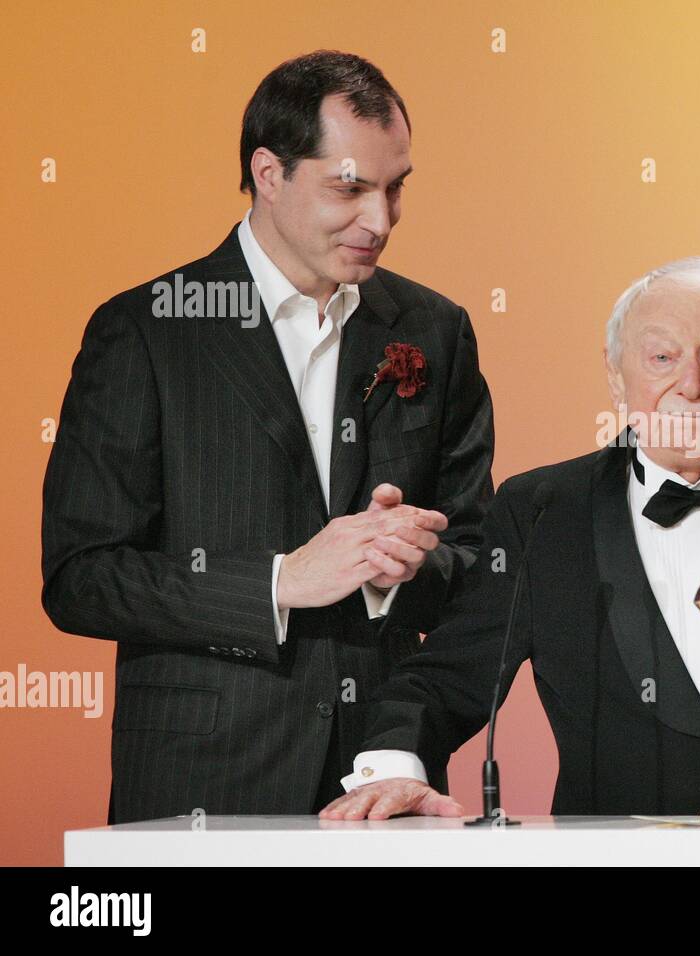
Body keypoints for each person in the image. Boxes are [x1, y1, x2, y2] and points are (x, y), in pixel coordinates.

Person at [41, 50, 494, 822]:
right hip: (202, 788)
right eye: (350, 188)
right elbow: (82, 577)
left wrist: (399, 567)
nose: (379, 221)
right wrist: (282, 582)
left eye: (395, 189)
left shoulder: (436, 331)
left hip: (384, 785)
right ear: (269, 173)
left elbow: (481, 564)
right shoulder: (146, 332)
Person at [320, 257, 700, 820]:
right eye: (661, 359)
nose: (692, 385)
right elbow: (450, 674)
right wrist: (393, 767)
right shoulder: (541, 513)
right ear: (616, 377)